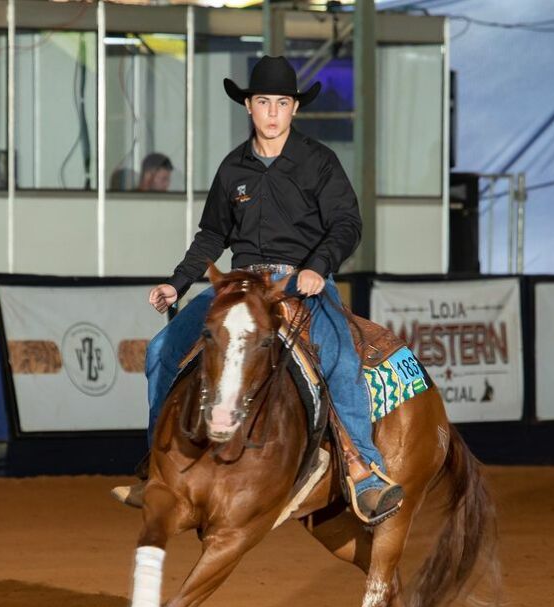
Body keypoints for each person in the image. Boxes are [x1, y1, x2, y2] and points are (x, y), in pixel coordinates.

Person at [116, 55, 404, 524]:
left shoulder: (319, 162)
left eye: (282, 103)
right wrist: (177, 282)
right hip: (240, 284)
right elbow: (212, 236)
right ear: (249, 106)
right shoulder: (233, 168)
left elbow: (347, 224)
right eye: (264, 102)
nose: (273, 112)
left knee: (339, 358)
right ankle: (158, 470)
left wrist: (318, 267)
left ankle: (365, 473)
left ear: (294, 109)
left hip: (301, 283)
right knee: (161, 351)